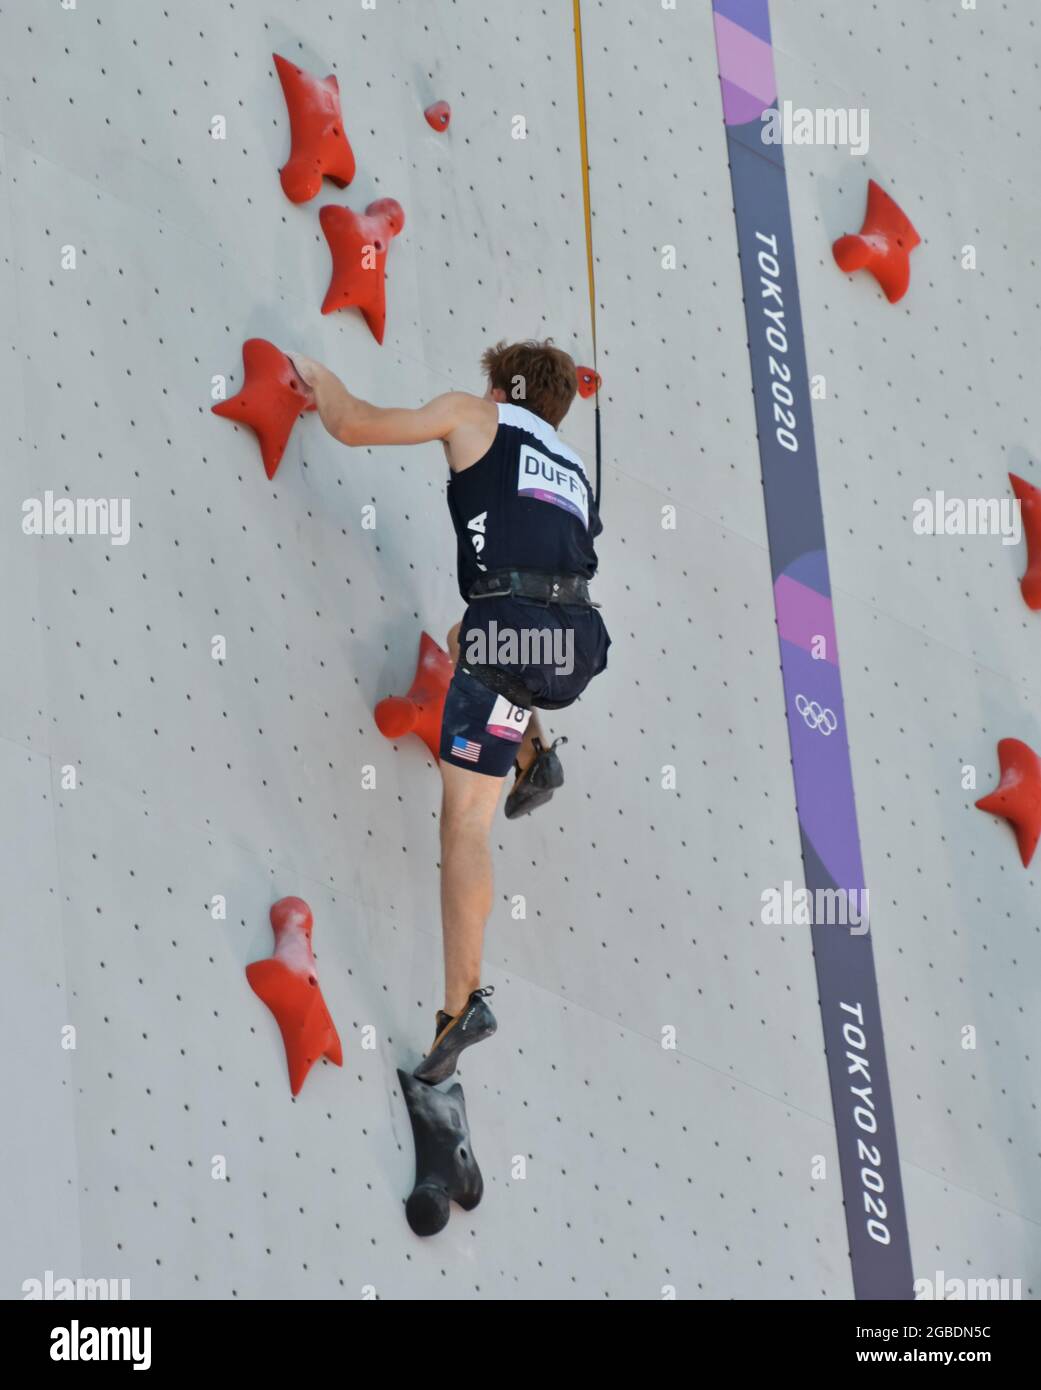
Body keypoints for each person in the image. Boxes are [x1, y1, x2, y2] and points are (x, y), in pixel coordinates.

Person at [289, 340, 609, 1083]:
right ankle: (531, 747)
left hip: (511, 635)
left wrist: (324, 383)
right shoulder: (576, 471)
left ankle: (460, 1003)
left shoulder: (476, 416)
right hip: (575, 646)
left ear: (503, 385)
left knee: (466, 816)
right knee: (477, 638)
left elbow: (357, 425)